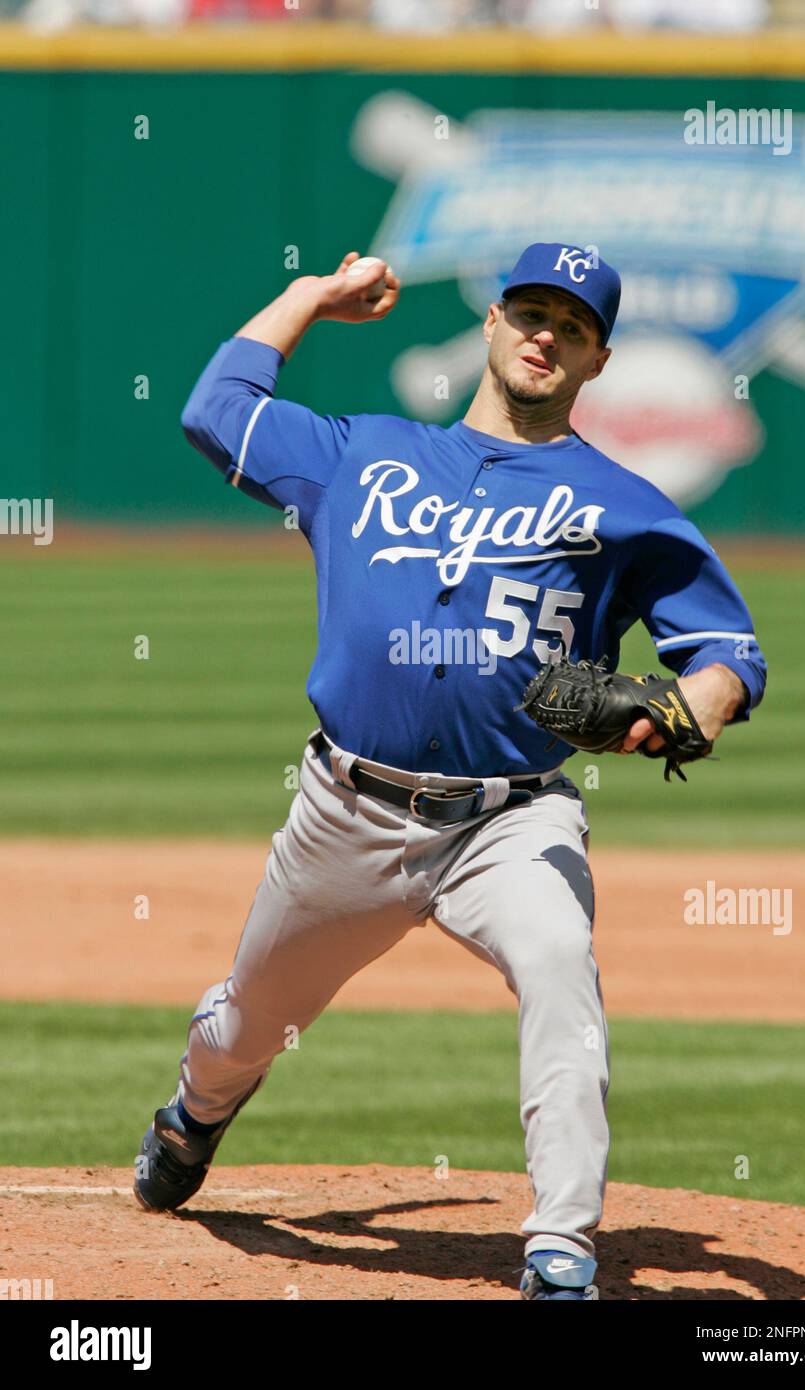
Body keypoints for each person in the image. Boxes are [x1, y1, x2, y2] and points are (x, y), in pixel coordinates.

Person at [133, 242, 766, 1301]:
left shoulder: (620, 505)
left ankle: (560, 1245)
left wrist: (678, 714)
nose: (542, 334)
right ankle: (195, 1114)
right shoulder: (361, 454)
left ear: (596, 359)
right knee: (243, 1024)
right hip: (345, 813)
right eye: (527, 310)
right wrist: (311, 296)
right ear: (488, 324)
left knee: (560, 958)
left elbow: (727, 654)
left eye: (569, 326)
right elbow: (216, 407)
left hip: (510, 822)